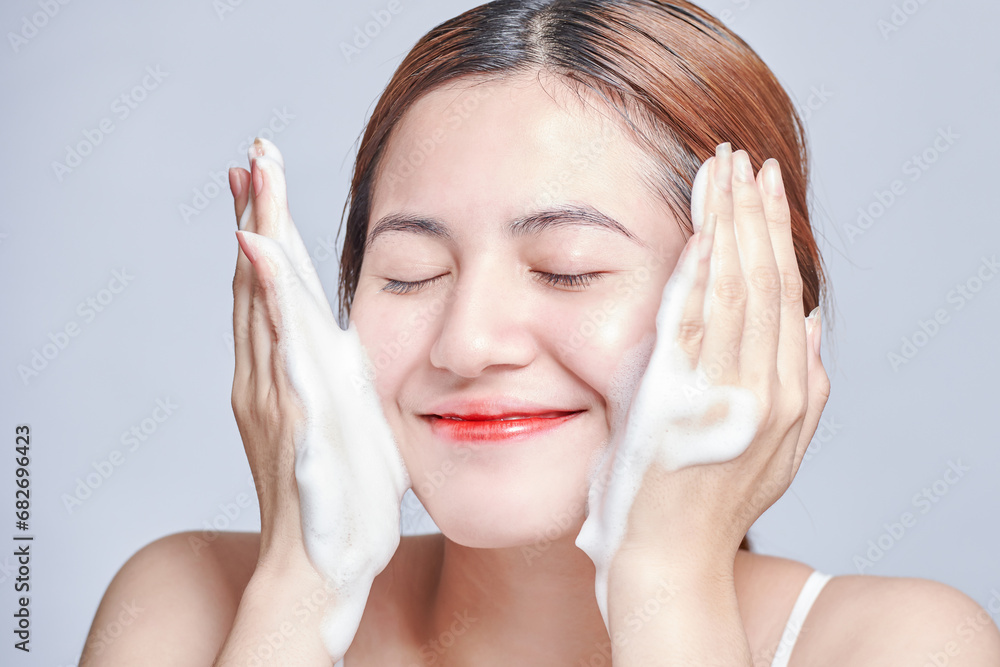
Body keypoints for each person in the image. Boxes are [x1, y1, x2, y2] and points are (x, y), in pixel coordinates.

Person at [80, 1, 1000, 665]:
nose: (468, 343)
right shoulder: (186, 605)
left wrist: (667, 589)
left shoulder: (902, 645)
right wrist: (298, 593)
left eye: (567, 267)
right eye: (411, 275)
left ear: (750, 299)